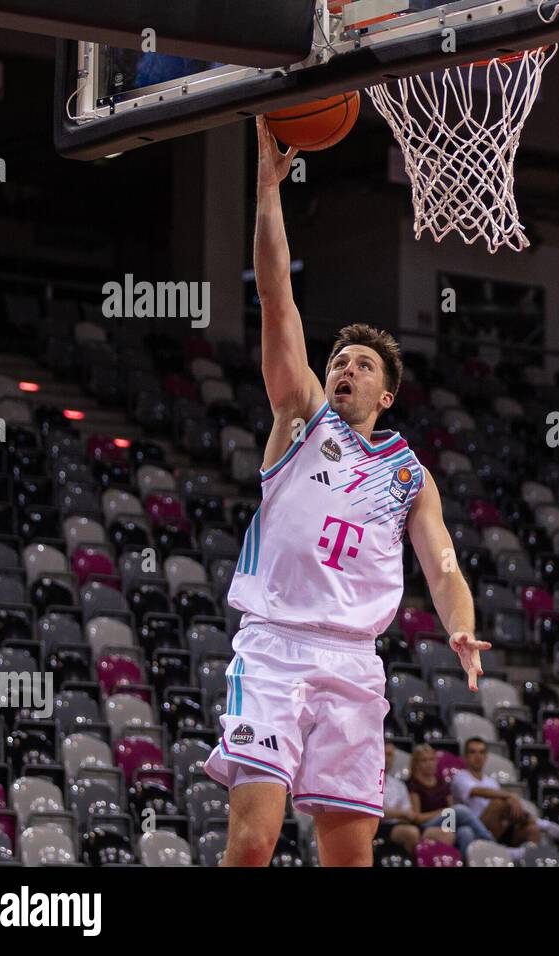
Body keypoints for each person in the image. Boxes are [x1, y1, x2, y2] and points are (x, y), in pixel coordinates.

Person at [205, 117, 491, 867]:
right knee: (253, 840)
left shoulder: (408, 475)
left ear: (387, 394)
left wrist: (459, 625)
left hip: (356, 662)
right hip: (274, 646)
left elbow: (446, 566)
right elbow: (275, 298)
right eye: (341, 358)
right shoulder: (300, 416)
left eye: (364, 363)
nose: (347, 368)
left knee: (349, 860)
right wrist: (268, 191)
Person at [450, 737, 559, 847]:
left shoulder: (491, 781)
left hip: (498, 828)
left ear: (486, 756)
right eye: (473, 752)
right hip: (474, 827)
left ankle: (537, 836)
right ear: (465, 757)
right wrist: (510, 796)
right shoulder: (460, 777)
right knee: (499, 803)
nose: (478, 756)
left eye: (482, 752)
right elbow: (476, 791)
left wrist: (510, 800)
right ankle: (547, 826)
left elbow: (503, 804)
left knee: (532, 830)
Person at [406, 744, 498, 856]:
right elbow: (417, 818)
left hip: (446, 821)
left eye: (431, 759)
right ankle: (493, 843)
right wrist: (441, 812)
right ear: (416, 764)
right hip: (427, 824)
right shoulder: (414, 785)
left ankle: (467, 863)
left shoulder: (442, 783)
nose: (429, 764)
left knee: (466, 832)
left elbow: (450, 810)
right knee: (460, 810)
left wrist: (447, 812)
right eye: (424, 761)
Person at [376, 740, 425, 858]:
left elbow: (410, 815)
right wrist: (399, 813)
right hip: (375, 826)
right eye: (383, 753)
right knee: (411, 833)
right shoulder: (367, 782)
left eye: (389, 755)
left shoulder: (399, 785)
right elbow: (377, 812)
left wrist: (392, 813)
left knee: (445, 830)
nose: (386, 758)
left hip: (395, 825)